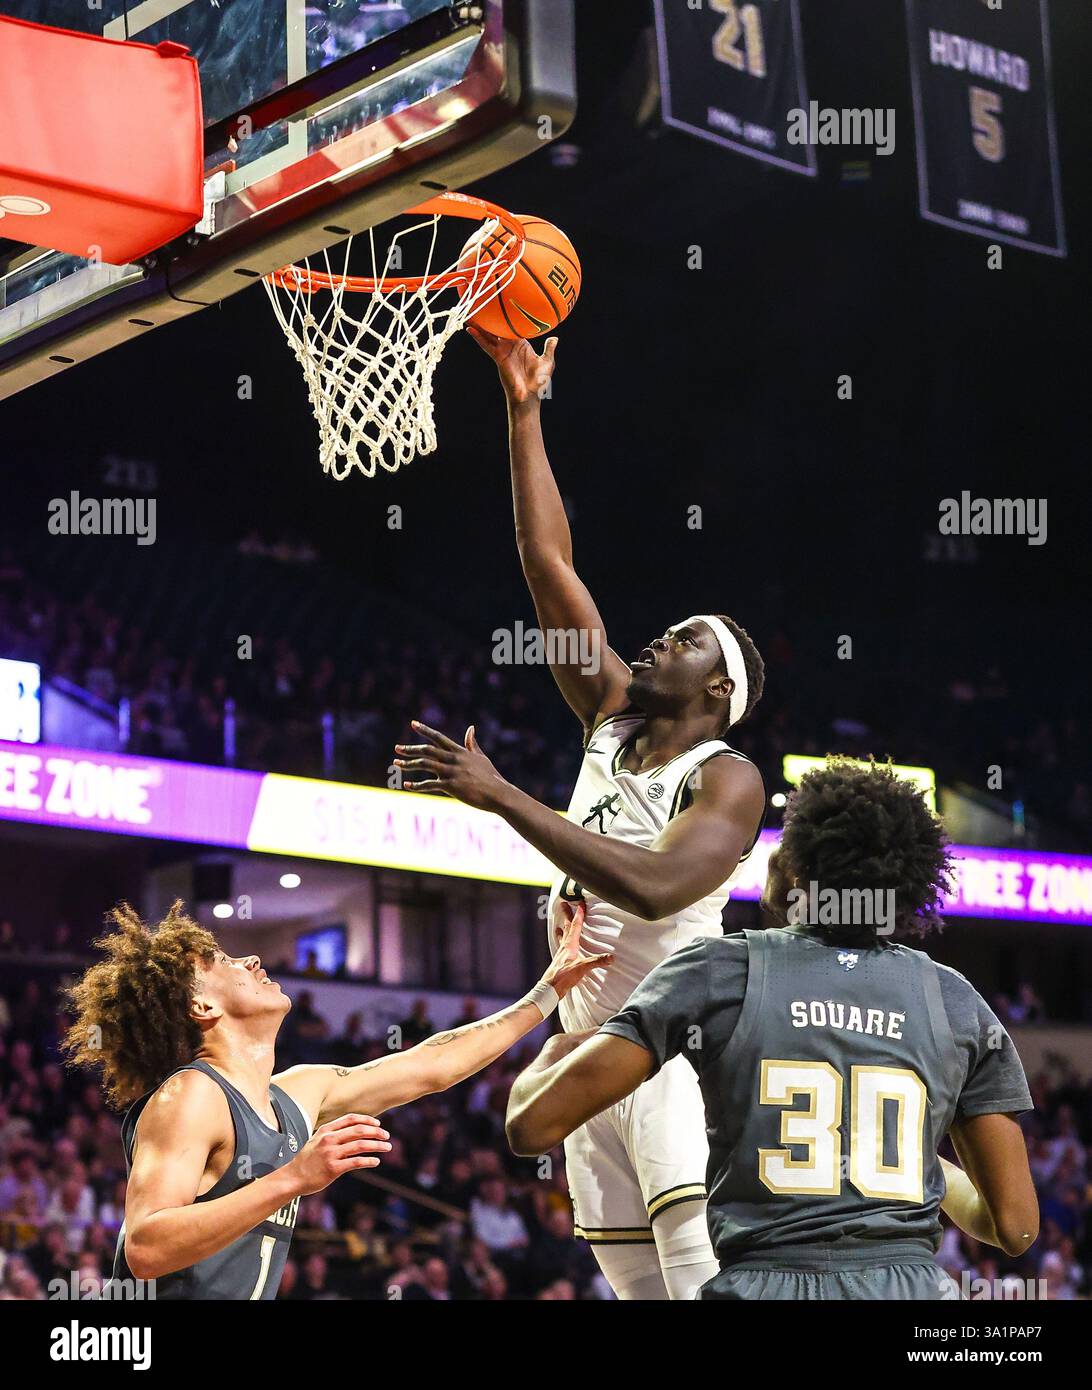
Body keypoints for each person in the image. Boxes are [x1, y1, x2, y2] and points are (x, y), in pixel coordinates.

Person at [393, 330, 766, 1300]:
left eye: (683, 639)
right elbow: (545, 556)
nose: (658, 637)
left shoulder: (728, 776)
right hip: (590, 1050)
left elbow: (652, 885)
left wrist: (503, 793)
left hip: (674, 1046)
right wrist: (524, 408)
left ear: (718, 687)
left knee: (697, 1288)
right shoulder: (609, 714)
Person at [506, 759, 1040, 1299]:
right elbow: (1014, 1228)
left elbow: (531, 1128)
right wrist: (906, 1157)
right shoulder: (953, 999)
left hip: (765, 1283)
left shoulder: (716, 972)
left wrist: (553, 1048)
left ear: (796, 865)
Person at [63, 899, 606, 1300]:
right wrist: (294, 1178)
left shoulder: (299, 1091)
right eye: (222, 961)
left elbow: (432, 1066)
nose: (250, 958)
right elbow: (147, 1247)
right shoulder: (191, 1094)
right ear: (202, 1007)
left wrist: (546, 994)